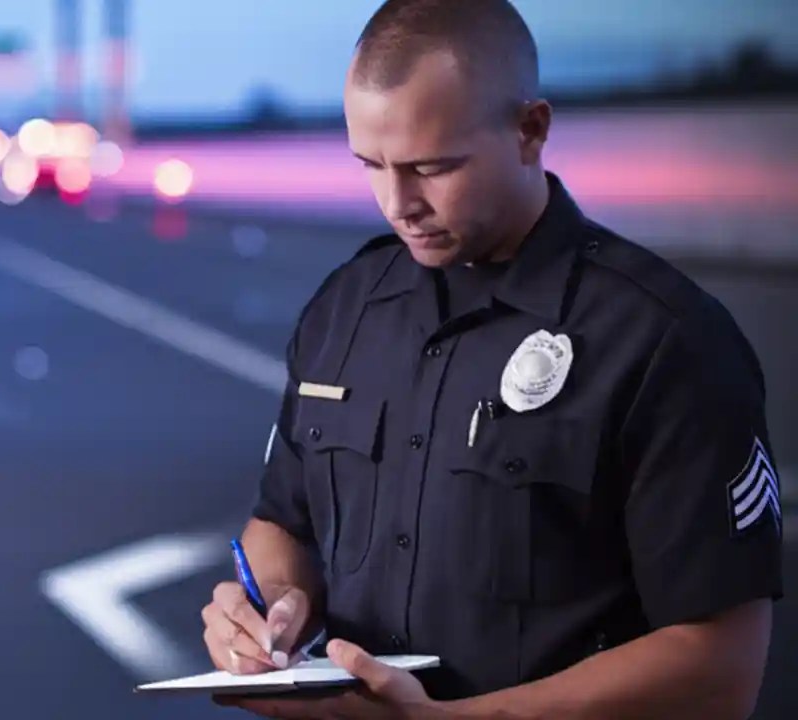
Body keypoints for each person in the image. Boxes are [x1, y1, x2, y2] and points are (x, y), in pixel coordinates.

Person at [200, 0, 784, 717]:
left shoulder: (665, 340)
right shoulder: (343, 309)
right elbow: (283, 521)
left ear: (531, 130)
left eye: (431, 167)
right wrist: (266, 615)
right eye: (371, 165)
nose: (396, 203)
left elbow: (720, 667)